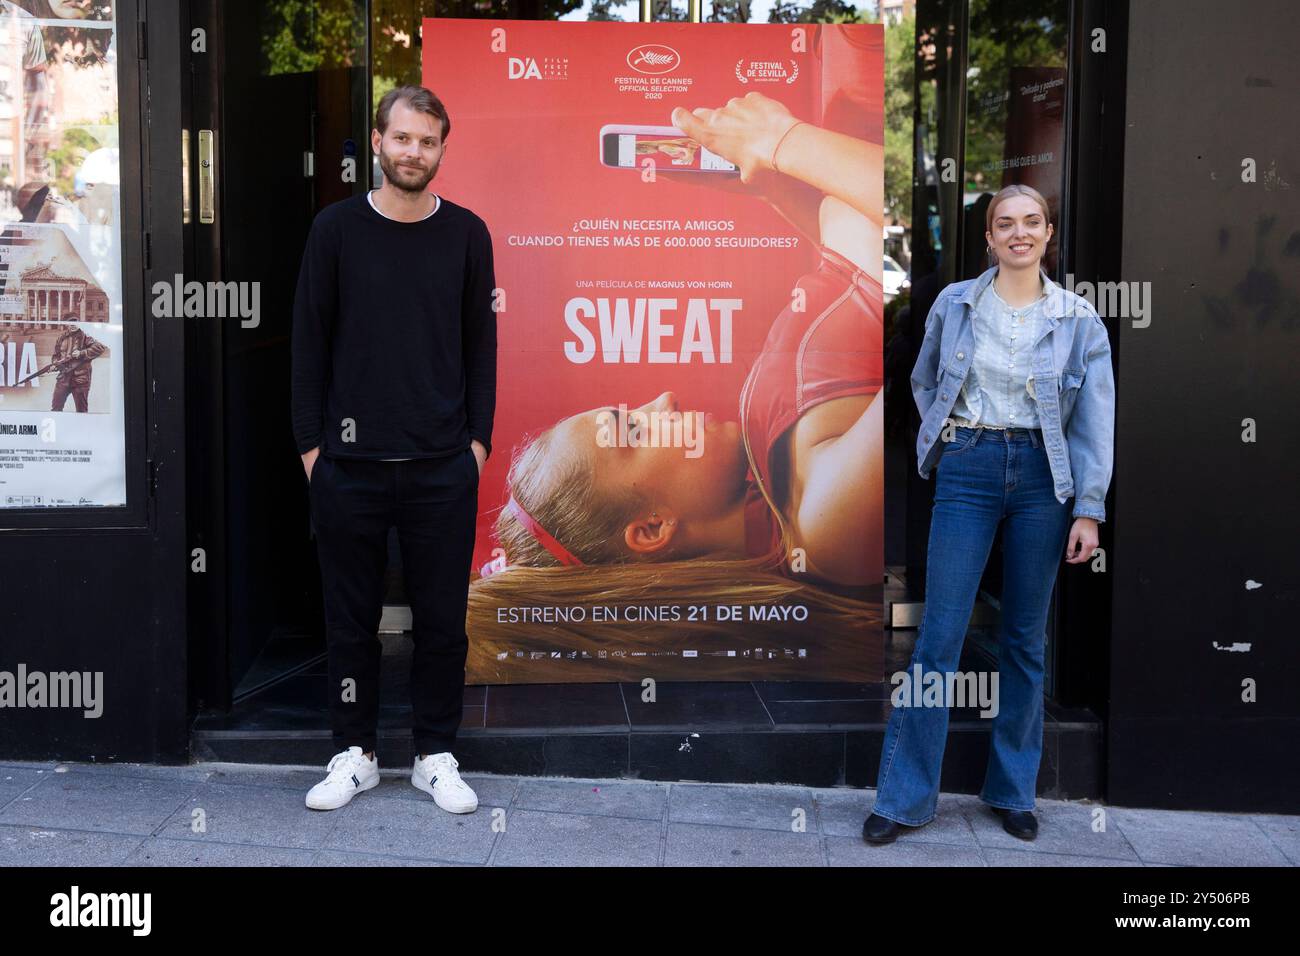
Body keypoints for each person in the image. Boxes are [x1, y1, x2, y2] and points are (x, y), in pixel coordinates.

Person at [862, 183, 1115, 844]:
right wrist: (948, 442)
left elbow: (1094, 422)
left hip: (1043, 478)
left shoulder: (1078, 319)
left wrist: (1088, 510)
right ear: (990, 237)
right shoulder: (956, 303)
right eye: (1007, 223)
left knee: (1024, 640)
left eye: (1032, 222)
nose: (1020, 233)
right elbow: (924, 380)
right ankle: (904, 797)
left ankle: (1013, 790)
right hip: (969, 468)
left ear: (1048, 233)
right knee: (939, 635)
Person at [291, 85, 497, 813]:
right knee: (350, 622)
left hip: (443, 466)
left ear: (443, 148)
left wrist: (476, 446)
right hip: (348, 467)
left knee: (443, 623)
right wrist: (313, 452)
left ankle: (435, 754)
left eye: (428, 141)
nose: (414, 152)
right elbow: (308, 346)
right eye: (402, 138)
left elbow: (481, 346)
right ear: (377, 143)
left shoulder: (468, 234)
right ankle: (356, 753)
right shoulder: (335, 230)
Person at [49, 321, 106, 412]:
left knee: (81, 411)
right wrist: (55, 364)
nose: (73, 325)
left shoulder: (87, 335)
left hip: (80, 380)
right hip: (63, 379)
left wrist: (82, 353)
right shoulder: (61, 337)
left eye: (75, 322)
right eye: (70, 322)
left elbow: (100, 347)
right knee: (56, 408)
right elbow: (56, 355)